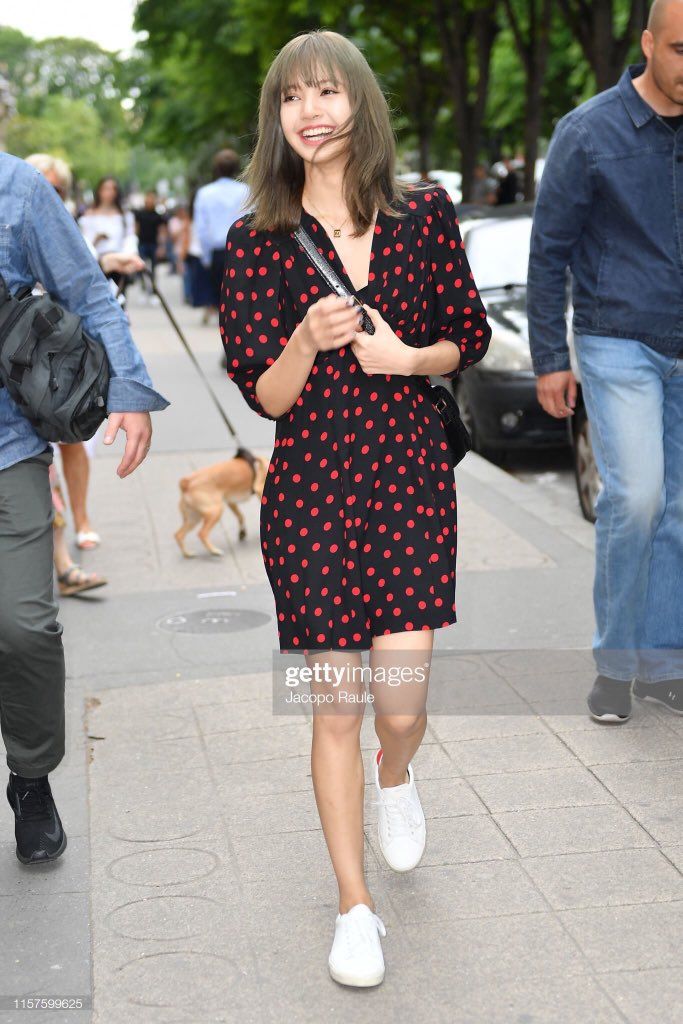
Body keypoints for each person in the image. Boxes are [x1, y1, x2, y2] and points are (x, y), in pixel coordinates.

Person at [220, 30, 491, 987]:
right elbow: (264, 393)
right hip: (312, 495)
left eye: (328, 92)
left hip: (410, 483)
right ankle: (354, 906)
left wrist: (406, 357)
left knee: (401, 699)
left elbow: (469, 333)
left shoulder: (423, 214)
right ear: (276, 118)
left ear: (359, 103)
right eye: (292, 98)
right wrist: (302, 338)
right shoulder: (255, 240)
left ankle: (397, 772)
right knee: (333, 704)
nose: (311, 111)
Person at [0, 151, 170, 865]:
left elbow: (88, 293)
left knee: (26, 628)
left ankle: (31, 778)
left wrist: (128, 390)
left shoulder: (17, 186)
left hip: (6, 447)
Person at [527, 0, 683, 725]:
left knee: (680, 511)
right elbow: (548, 252)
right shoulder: (586, 132)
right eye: (680, 50)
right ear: (647, 43)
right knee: (637, 497)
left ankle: (661, 663)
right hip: (617, 337)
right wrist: (550, 357)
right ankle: (613, 667)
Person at [25, 153, 147, 552]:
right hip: (21, 350)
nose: (46, 193)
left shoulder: (65, 223)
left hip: (64, 347)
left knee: (72, 437)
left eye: (54, 187)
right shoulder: (15, 216)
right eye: (38, 184)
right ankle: (47, 534)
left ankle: (80, 518)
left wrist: (110, 261)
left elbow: (78, 275)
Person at [194, 149, 249, 310]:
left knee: (220, 296)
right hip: (243, 250)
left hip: (217, 251)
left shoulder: (205, 193)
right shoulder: (246, 191)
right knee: (239, 296)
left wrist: (205, 257)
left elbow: (202, 229)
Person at [134, 190, 167, 298]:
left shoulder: (158, 216)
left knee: (153, 269)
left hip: (153, 244)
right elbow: (136, 228)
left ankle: (153, 290)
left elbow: (162, 231)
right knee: (140, 267)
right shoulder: (140, 214)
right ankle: (143, 287)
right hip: (142, 243)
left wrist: (161, 246)